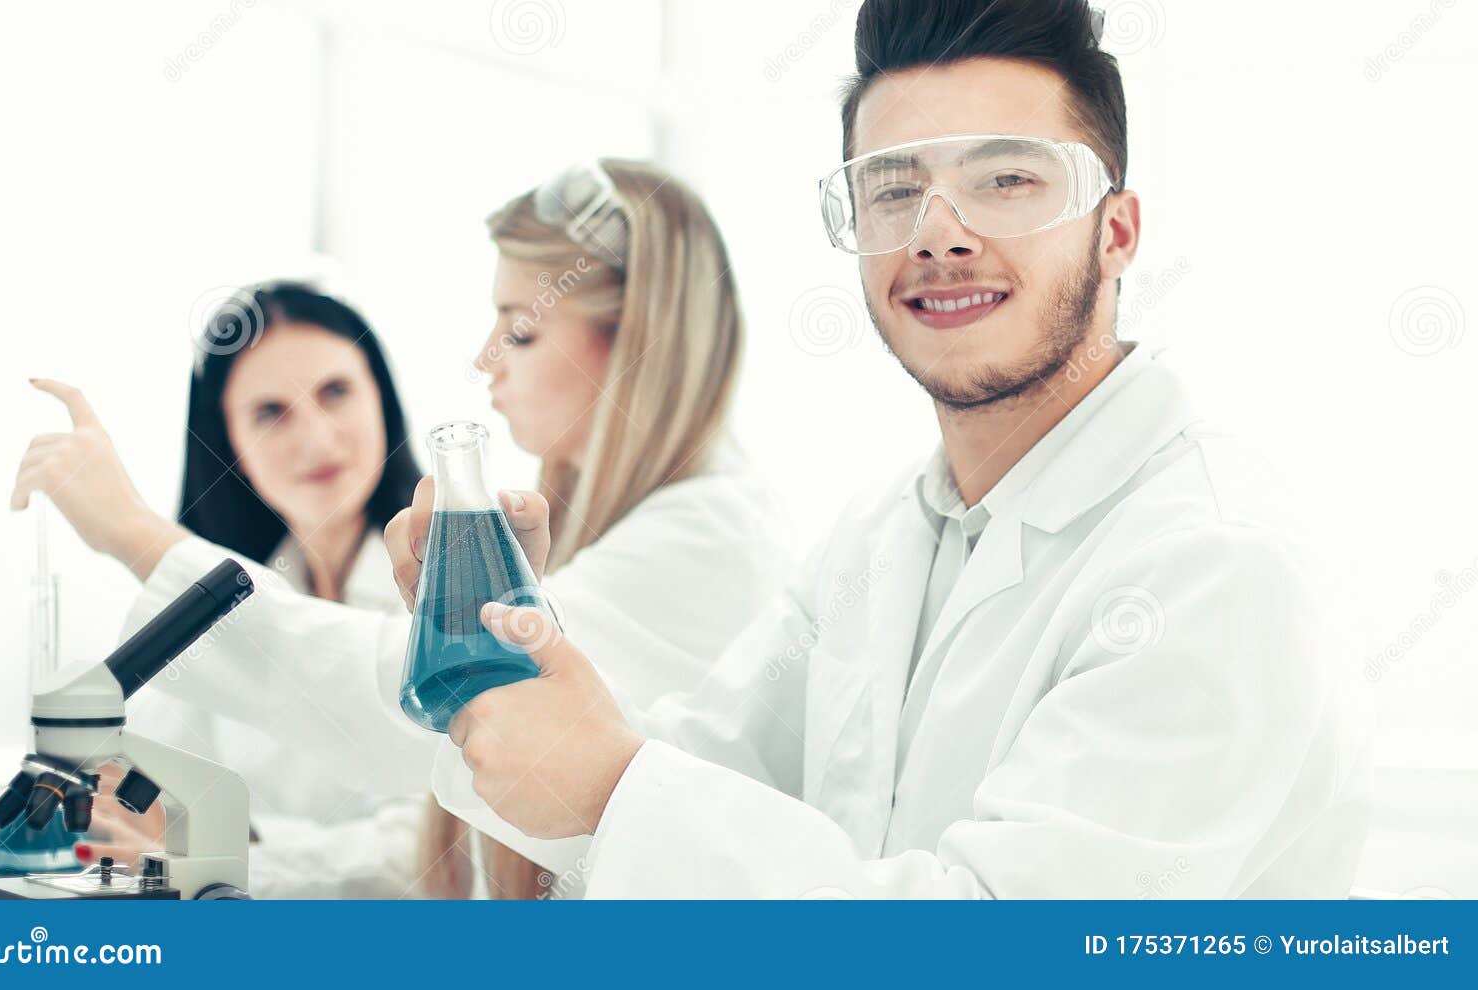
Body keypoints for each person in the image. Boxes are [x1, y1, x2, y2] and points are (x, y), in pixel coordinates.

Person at [408, 0, 1373, 898]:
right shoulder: (876, 537)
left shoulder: (1212, 566)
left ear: (1116, 231)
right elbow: (689, 773)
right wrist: (506, 648)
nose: (939, 237)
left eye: (1006, 181)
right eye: (895, 189)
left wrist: (617, 792)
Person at [10, 160, 789, 898]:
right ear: (230, 446)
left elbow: (421, 718)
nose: (487, 361)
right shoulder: (585, 531)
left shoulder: (701, 537)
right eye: (270, 412)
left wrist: (131, 532)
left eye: (520, 331)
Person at [12, 282, 423, 894]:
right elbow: (143, 774)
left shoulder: (454, 586)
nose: (314, 438)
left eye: (336, 392)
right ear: (228, 443)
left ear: (381, 399)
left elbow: (441, 843)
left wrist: (225, 850)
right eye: (270, 412)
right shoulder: (224, 610)